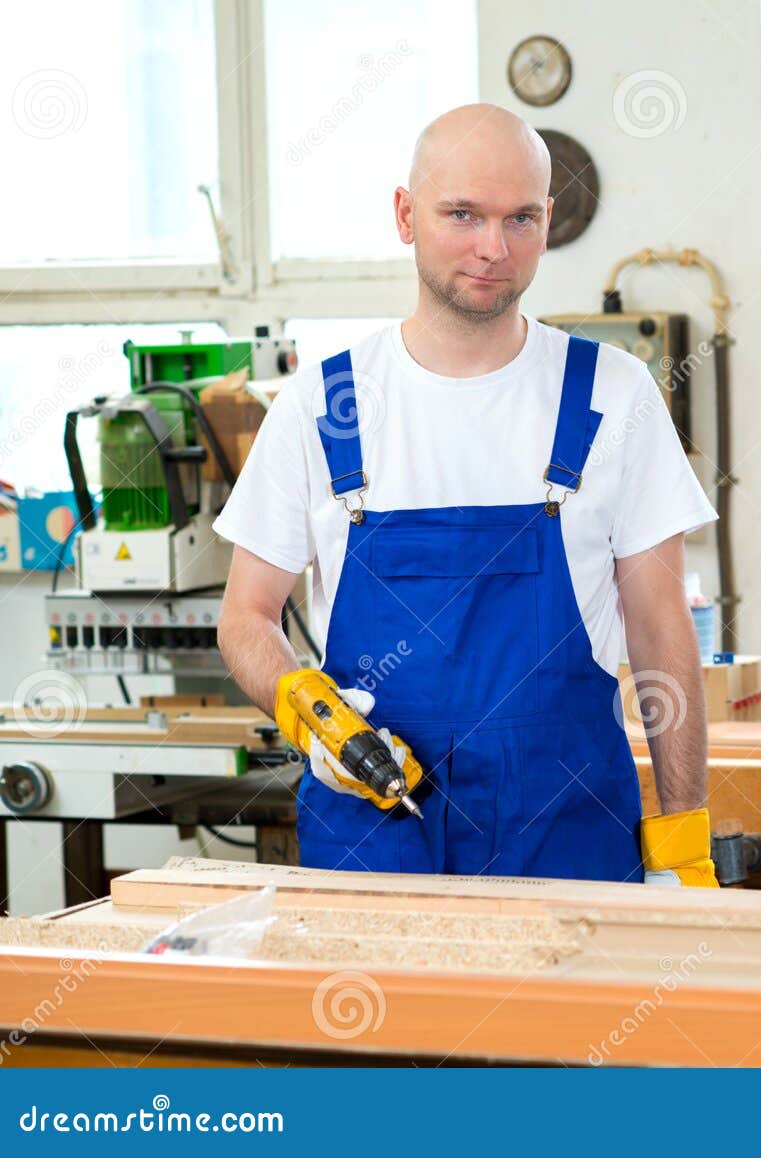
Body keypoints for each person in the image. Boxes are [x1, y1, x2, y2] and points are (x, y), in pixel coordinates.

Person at [216, 104, 718, 887]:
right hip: (375, 836)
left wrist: (683, 837)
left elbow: (661, 632)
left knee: (576, 1015)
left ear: (548, 222)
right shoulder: (321, 405)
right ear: (405, 215)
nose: (494, 248)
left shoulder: (614, 397)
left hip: (568, 828)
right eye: (463, 215)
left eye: (520, 218)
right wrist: (302, 702)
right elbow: (246, 615)